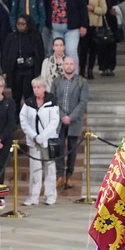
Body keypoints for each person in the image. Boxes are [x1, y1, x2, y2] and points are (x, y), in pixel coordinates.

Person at [20, 76, 61, 206]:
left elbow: (54, 122)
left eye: (39, 87)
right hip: (33, 141)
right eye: (34, 87)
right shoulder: (29, 103)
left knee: (50, 168)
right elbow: (24, 121)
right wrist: (34, 136)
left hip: (48, 140)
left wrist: (42, 137)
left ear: (44, 88)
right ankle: (33, 196)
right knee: (35, 169)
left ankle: (50, 195)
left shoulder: (52, 102)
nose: (36, 90)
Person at [52, 56, 89, 192]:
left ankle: (69, 176)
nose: (68, 66)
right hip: (59, 120)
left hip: (74, 121)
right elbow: (53, 99)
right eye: (66, 64)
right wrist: (62, 116)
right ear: (63, 66)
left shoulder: (82, 82)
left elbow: (83, 101)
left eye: (71, 64)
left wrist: (71, 117)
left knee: (72, 149)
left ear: (75, 65)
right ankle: (60, 175)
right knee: (59, 148)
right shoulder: (57, 81)